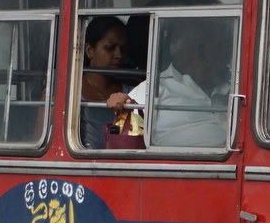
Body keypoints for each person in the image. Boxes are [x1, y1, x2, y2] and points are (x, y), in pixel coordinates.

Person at [106, 22, 231, 147]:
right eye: (219, 49)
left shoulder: (232, 86)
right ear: (196, 54)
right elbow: (127, 128)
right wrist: (122, 102)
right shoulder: (153, 89)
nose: (226, 59)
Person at [79, 16, 130, 149]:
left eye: (123, 49)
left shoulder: (132, 93)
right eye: (110, 48)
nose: (118, 55)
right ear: (90, 51)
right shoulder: (67, 93)